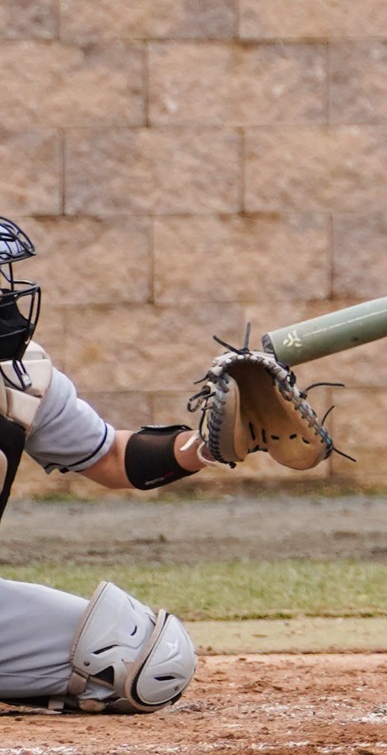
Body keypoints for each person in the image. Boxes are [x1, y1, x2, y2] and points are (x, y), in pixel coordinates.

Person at [0, 217, 207, 712]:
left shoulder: (19, 381)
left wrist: (212, 444)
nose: (5, 297)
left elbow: (113, 456)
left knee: (144, 660)